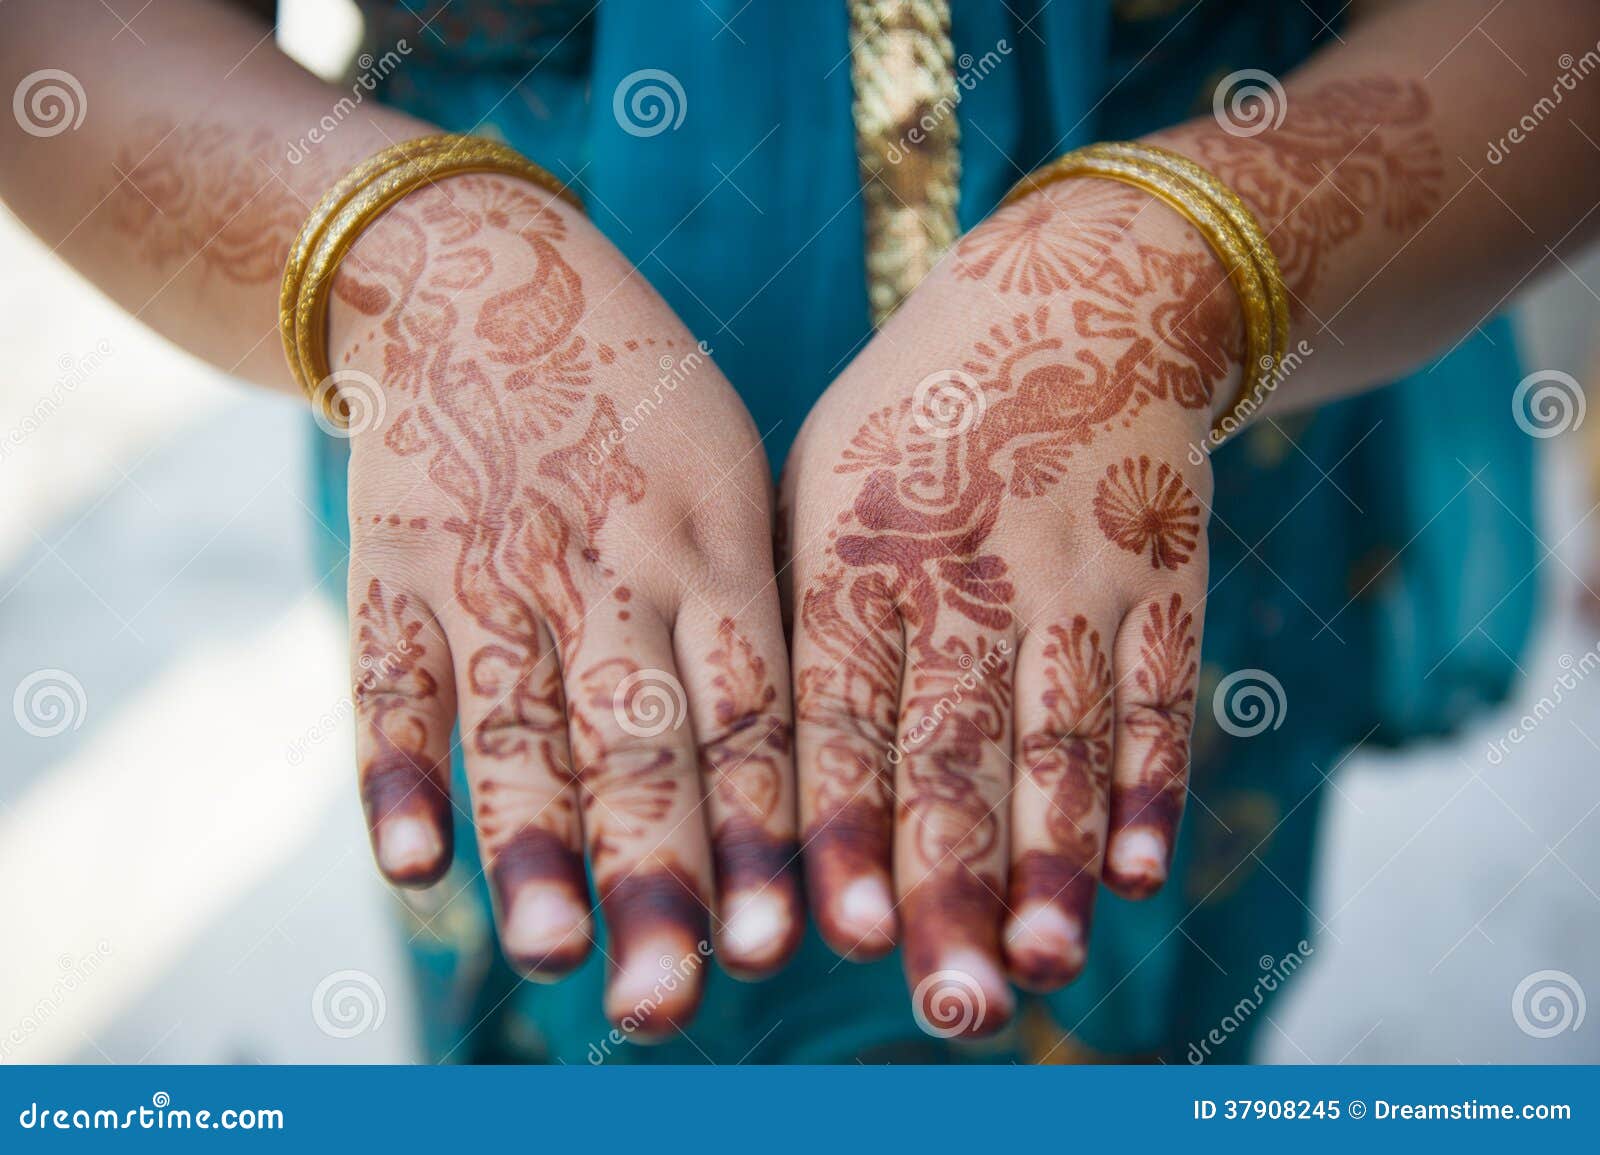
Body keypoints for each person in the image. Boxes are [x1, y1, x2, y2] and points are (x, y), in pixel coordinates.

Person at [3, 0, 1595, 1063]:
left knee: (1131, 994)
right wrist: (417, 286)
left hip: (1172, 476)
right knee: (584, 1011)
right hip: (520, 501)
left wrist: (1158, 288)